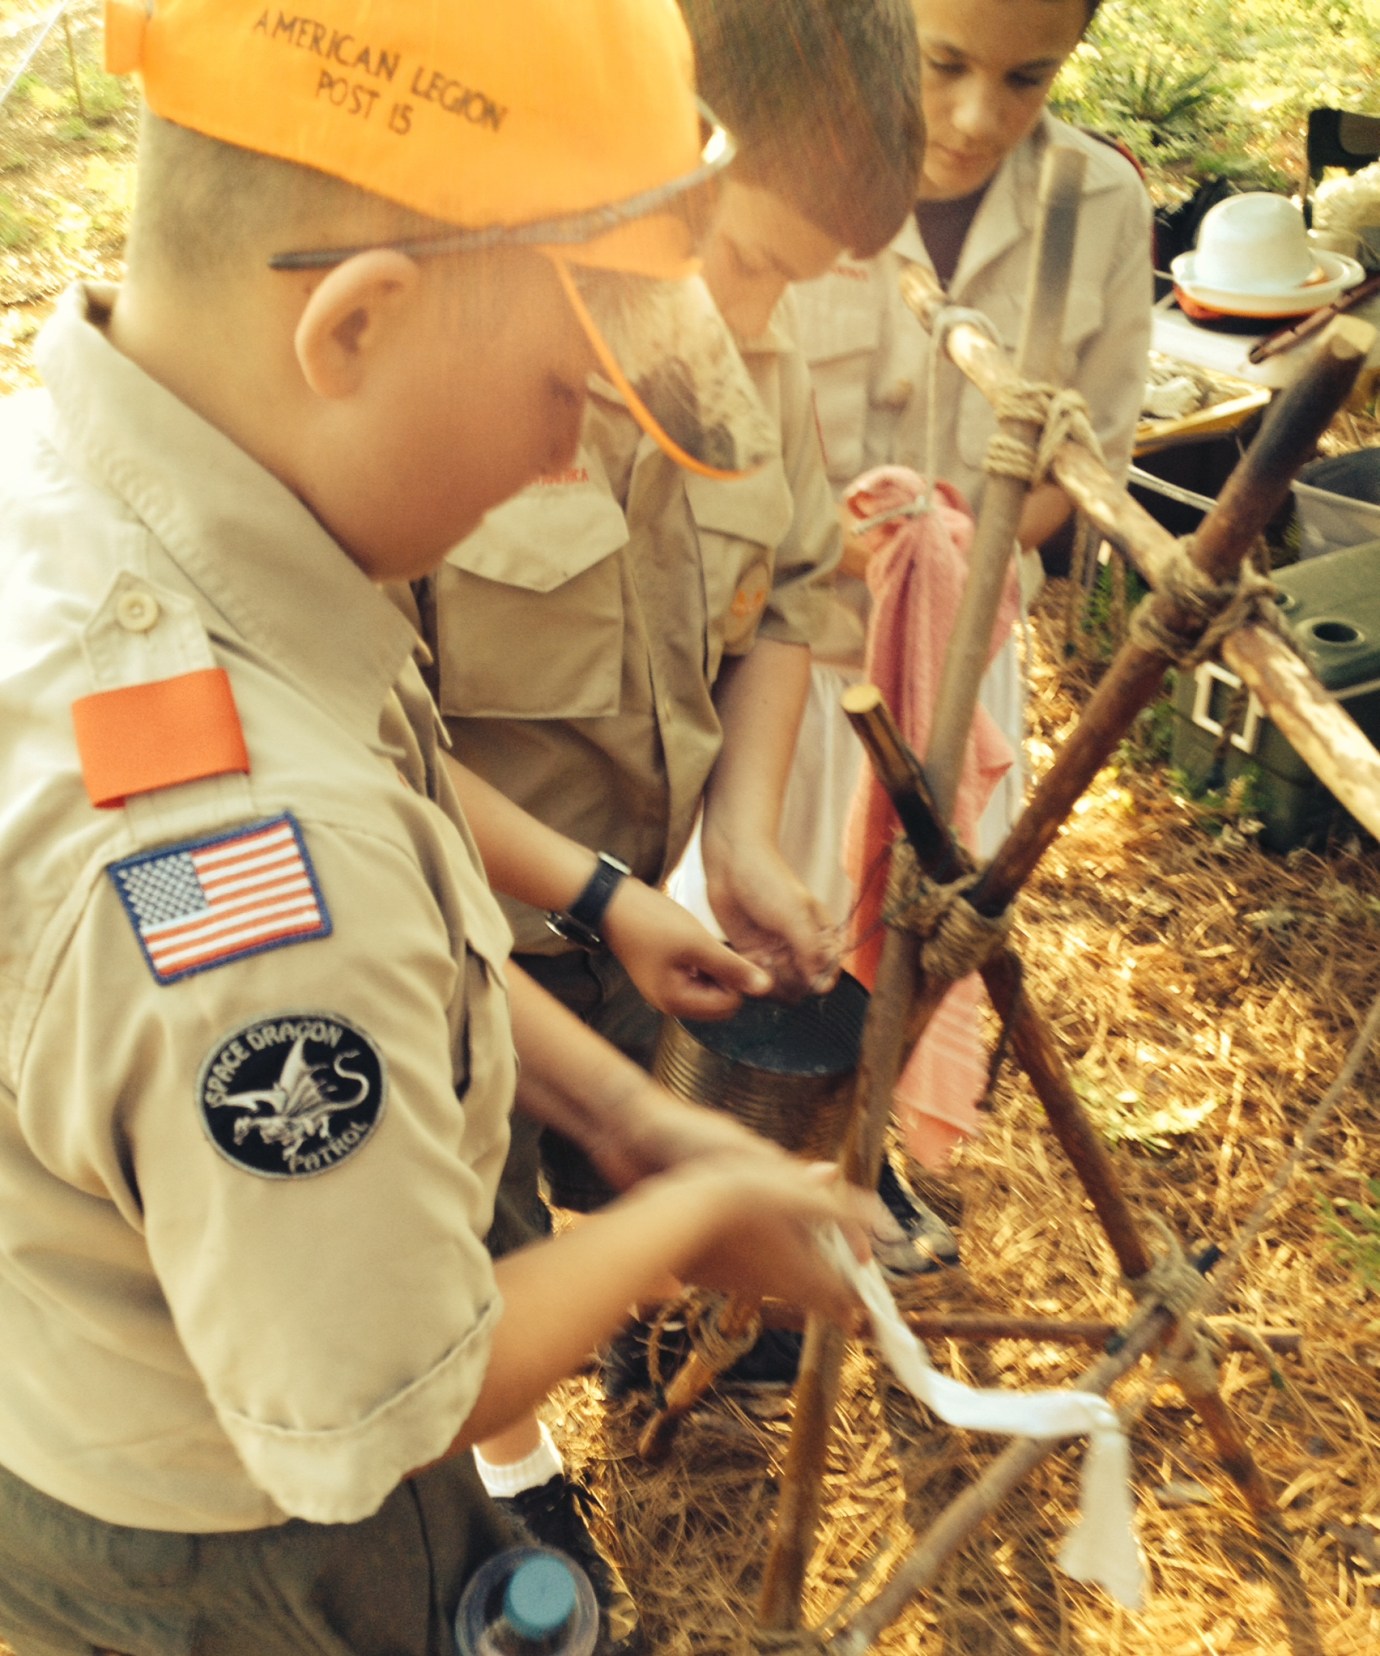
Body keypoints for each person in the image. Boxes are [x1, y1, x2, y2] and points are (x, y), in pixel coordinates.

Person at [0, 4, 877, 1654]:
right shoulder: (250, 877)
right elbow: (388, 1393)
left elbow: (401, 824)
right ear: (355, 326)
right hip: (230, 1560)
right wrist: (684, 1221)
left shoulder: (117, 488)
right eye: (567, 386)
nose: (574, 451)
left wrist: (625, 1106)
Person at [414, 0, 951, 1446]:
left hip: (632, 914)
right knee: (471, 1269)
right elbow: (367, 735)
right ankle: (524, 1502)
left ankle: (641, 1340)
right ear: (650, 170)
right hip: (448, 942)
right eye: (757, 261)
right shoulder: (469, 371)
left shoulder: (748, 356)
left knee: (618, 1195)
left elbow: (796, 595)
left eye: (803, 285)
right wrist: (591, 890)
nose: (765, 322)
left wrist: (747, 835)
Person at [788, 0, 1154, 890]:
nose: (975, 119)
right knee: (762, 954)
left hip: (964, 665)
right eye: (942, 64)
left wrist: (943, 567)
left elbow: (1087, 461)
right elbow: (713, 454)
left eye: (1026, 78)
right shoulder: (782, 172)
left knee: (933, 929)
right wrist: (864, 553)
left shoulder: (1102, 203)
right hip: (783, 664)